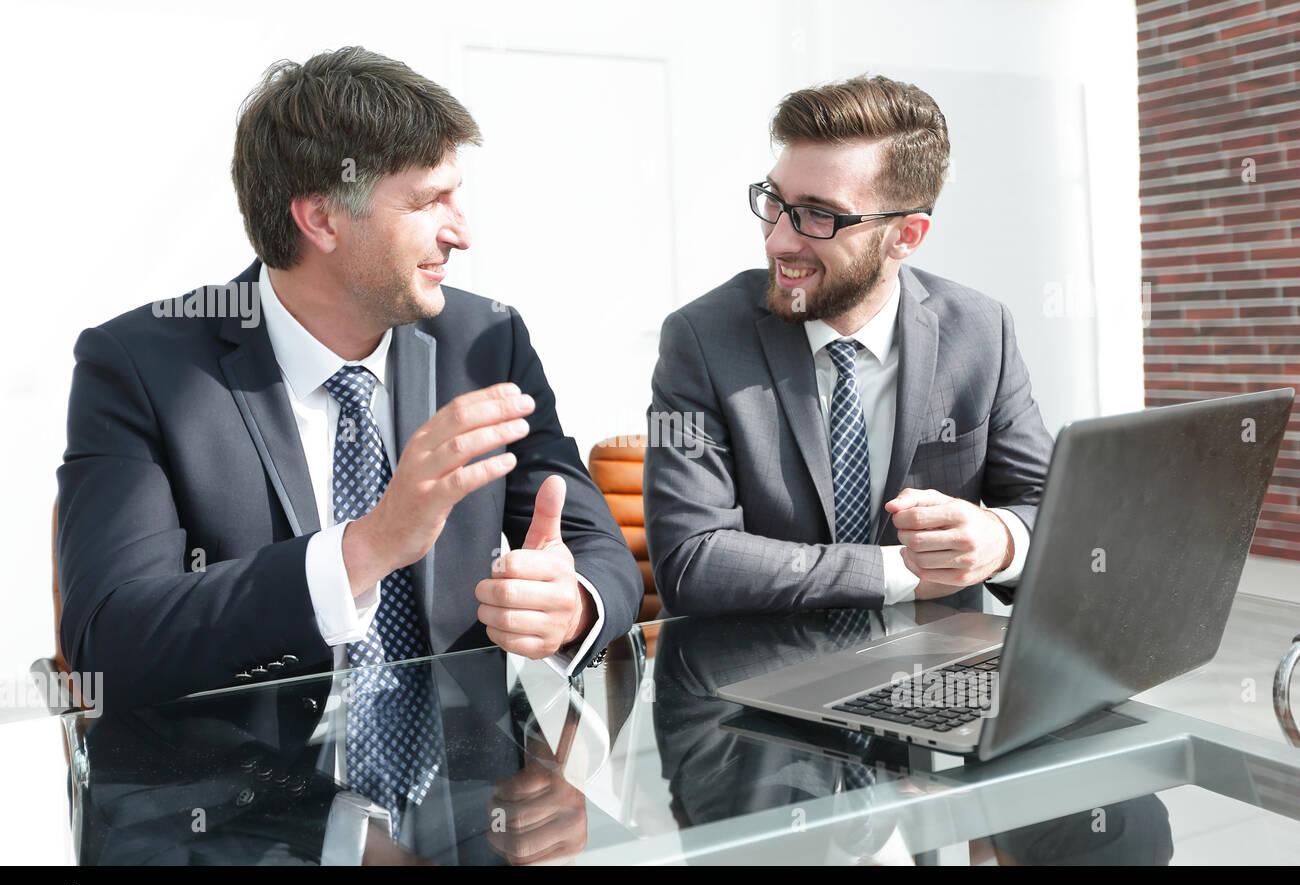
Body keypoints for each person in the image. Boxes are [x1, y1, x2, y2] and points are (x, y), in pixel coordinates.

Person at [56, 47, 642, 711]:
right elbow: (110, 639)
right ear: (322, 218)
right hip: (247, 802)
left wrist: (569, 607)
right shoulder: (140, 369)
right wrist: (365, 548)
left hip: (469, 792)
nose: (463, 232)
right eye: (430, 201)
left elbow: (600, 550)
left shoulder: (486, 341)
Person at [644, 74, 1054, 616]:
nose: (778, 240)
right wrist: (898, 572)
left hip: (938, 674)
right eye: (775, 201)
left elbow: (1053, 511)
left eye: (819, 215)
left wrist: (1000, 541)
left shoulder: (981, 331)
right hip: (759, 679)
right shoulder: (702, 339)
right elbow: (690, 560)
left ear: (905, 236)